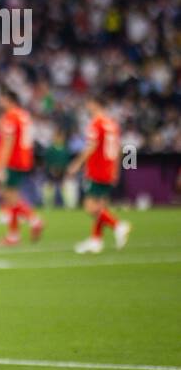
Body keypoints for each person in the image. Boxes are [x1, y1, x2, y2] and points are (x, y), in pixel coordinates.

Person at [66, 94, 131, 254]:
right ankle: (96, 240)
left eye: (89, 103)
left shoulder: (96, 123)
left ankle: (118, 225)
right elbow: (118, 148)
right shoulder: (112, 124)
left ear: (95, 104)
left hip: (97, 168)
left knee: (89, 207)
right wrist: (115, 169)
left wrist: (77, 163)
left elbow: (91, 146)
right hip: (108, 168)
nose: (88, 107)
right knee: (100, 206)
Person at [0, 87, 45, 246]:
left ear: (8, 100)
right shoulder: (24, 115)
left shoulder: (11, 116)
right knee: (10, 197)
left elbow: (8, 143)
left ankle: (34, 220)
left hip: (12, 161)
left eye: (2, 99)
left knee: (10, 197)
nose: (0, 102)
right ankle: (13, 235)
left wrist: (0, 165)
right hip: (23, 159)